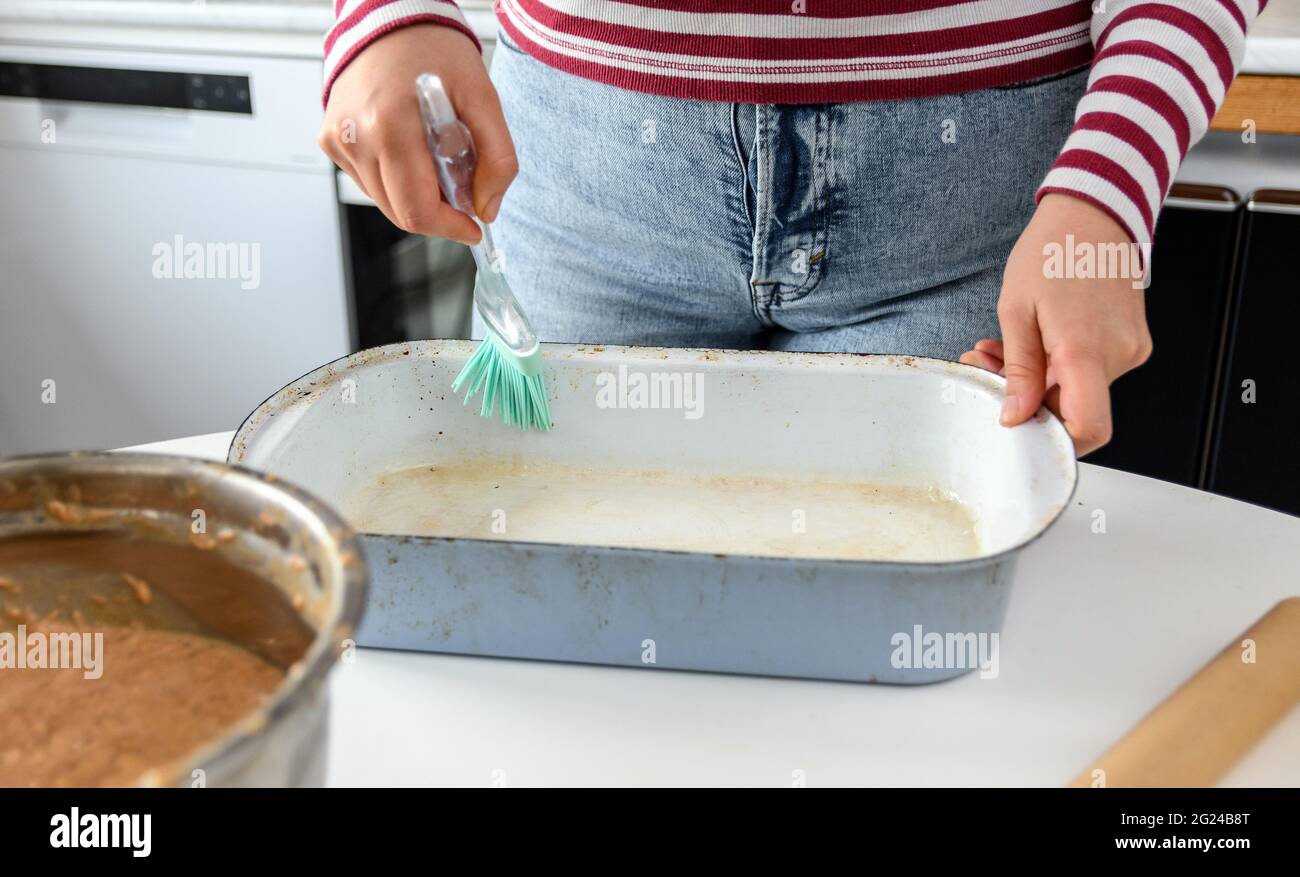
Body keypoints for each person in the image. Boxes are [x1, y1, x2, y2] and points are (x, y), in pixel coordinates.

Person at [318, 0, 1267, 455]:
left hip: (971, 218)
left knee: (915, 683)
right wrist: (388, 17)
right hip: (581, 184)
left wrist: (1107, 188)